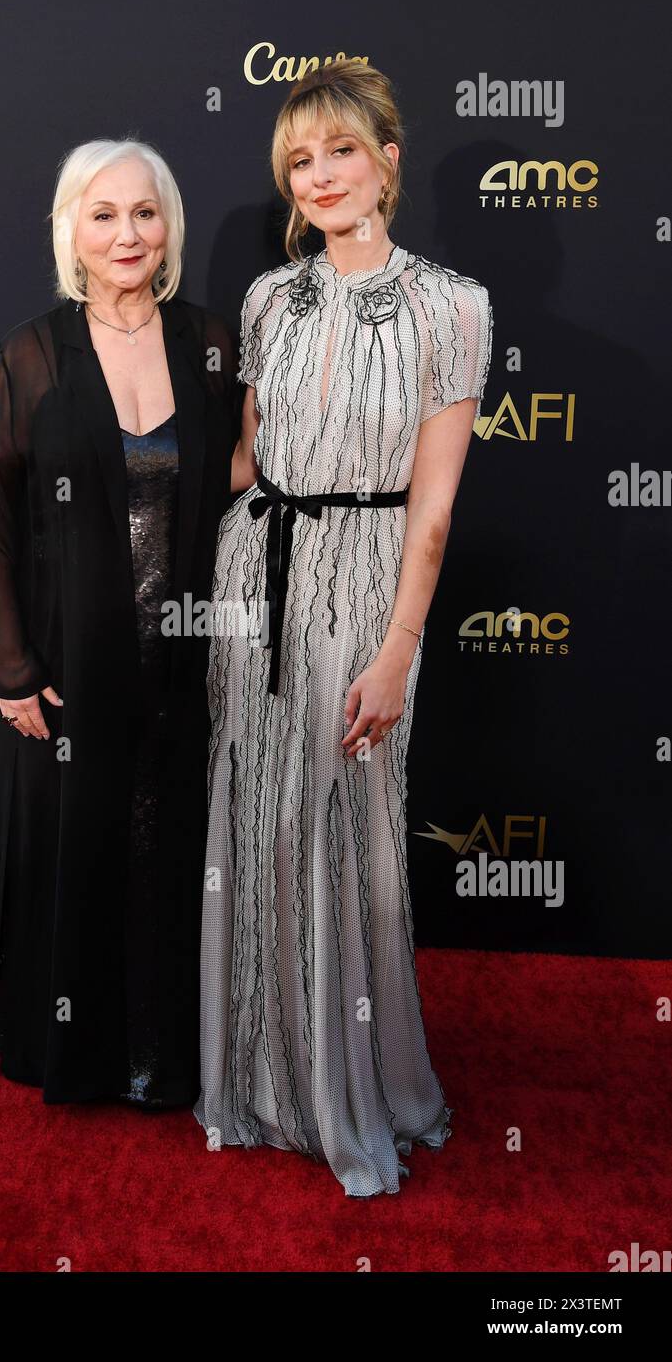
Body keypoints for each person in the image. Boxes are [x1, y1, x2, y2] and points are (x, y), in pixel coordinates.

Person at [194, 61, 493, 1195]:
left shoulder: (450, 305)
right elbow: (245, 458)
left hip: (364, 586)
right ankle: (262, 1081)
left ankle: (354, 1089)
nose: (318, 175)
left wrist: (398, 647)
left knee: (344, 828)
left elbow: (434, 508)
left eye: (340, 152)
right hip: (253, 572)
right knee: (259, 823)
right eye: (299, 159)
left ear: (387, 160)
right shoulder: (272, 297)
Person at [0, 139, 239, 1108]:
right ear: (69, 233)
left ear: (168, 228)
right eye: (103, 214)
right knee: (81, 846)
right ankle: (78, 1056)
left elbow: (247, 481)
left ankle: (168, 1054)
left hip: (187, 661)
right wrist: (10, 668)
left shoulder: (210, 346)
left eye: (145, 213)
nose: (127, 234)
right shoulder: (31, 356)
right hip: (70, 659)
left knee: (173, 848)